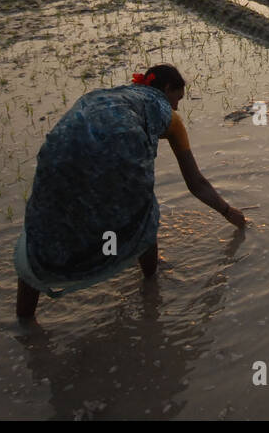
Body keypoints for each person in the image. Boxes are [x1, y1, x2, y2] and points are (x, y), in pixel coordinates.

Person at [15, 64, 245, 319]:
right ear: (167, 89)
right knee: (143, 211)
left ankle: (24, 322)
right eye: (177, 99)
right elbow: (195, 182)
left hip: (57, 151)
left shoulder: (110, 95)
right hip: (120, 147)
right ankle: (151, 285)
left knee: (44, 228)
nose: (176, 107)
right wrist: (228, 212)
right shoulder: (170, 118)